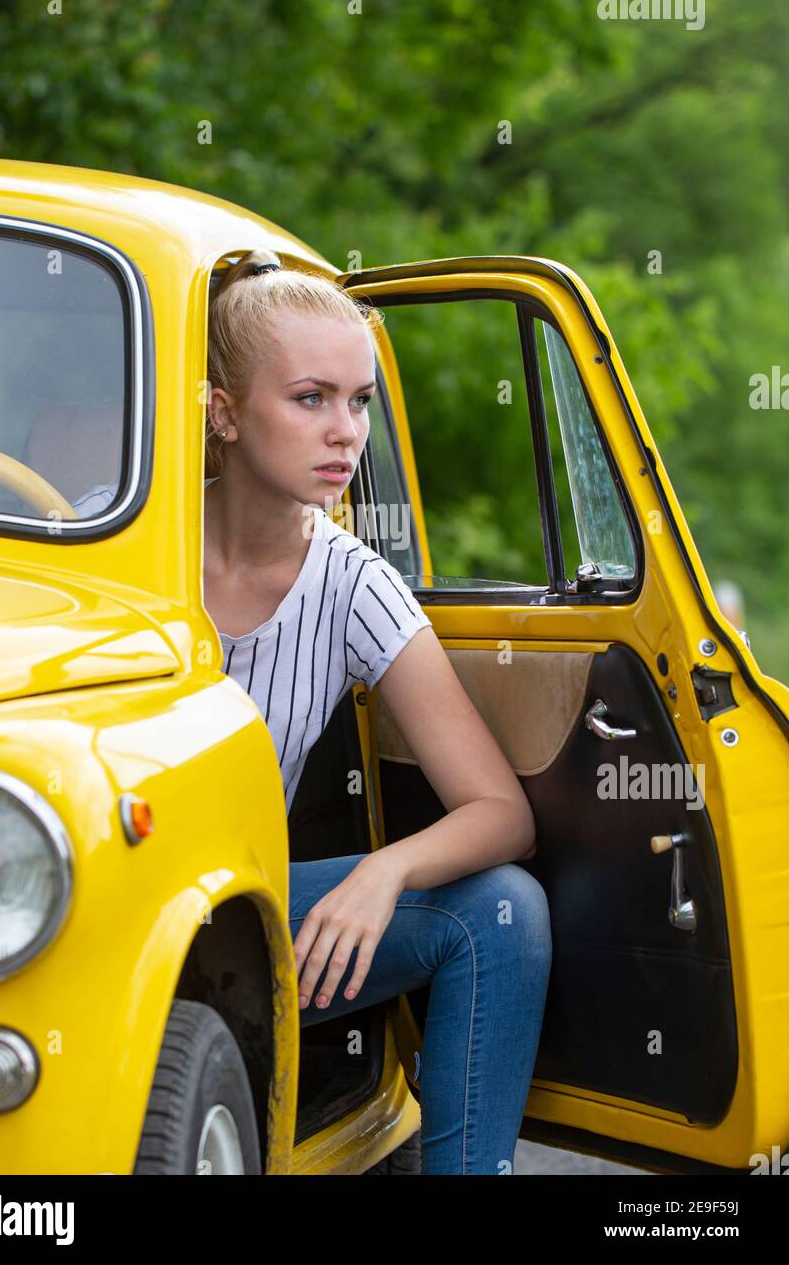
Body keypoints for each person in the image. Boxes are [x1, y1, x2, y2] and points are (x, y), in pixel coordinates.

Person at [201, 250, 552, 1175]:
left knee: (501, 913)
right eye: (311, 398)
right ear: (223, 412)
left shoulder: (358, 583)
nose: (345, 432)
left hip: (251, 921)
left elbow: (500, 815)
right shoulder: (114, 541)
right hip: (79, 911)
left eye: (359, 402)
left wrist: (382, 873)